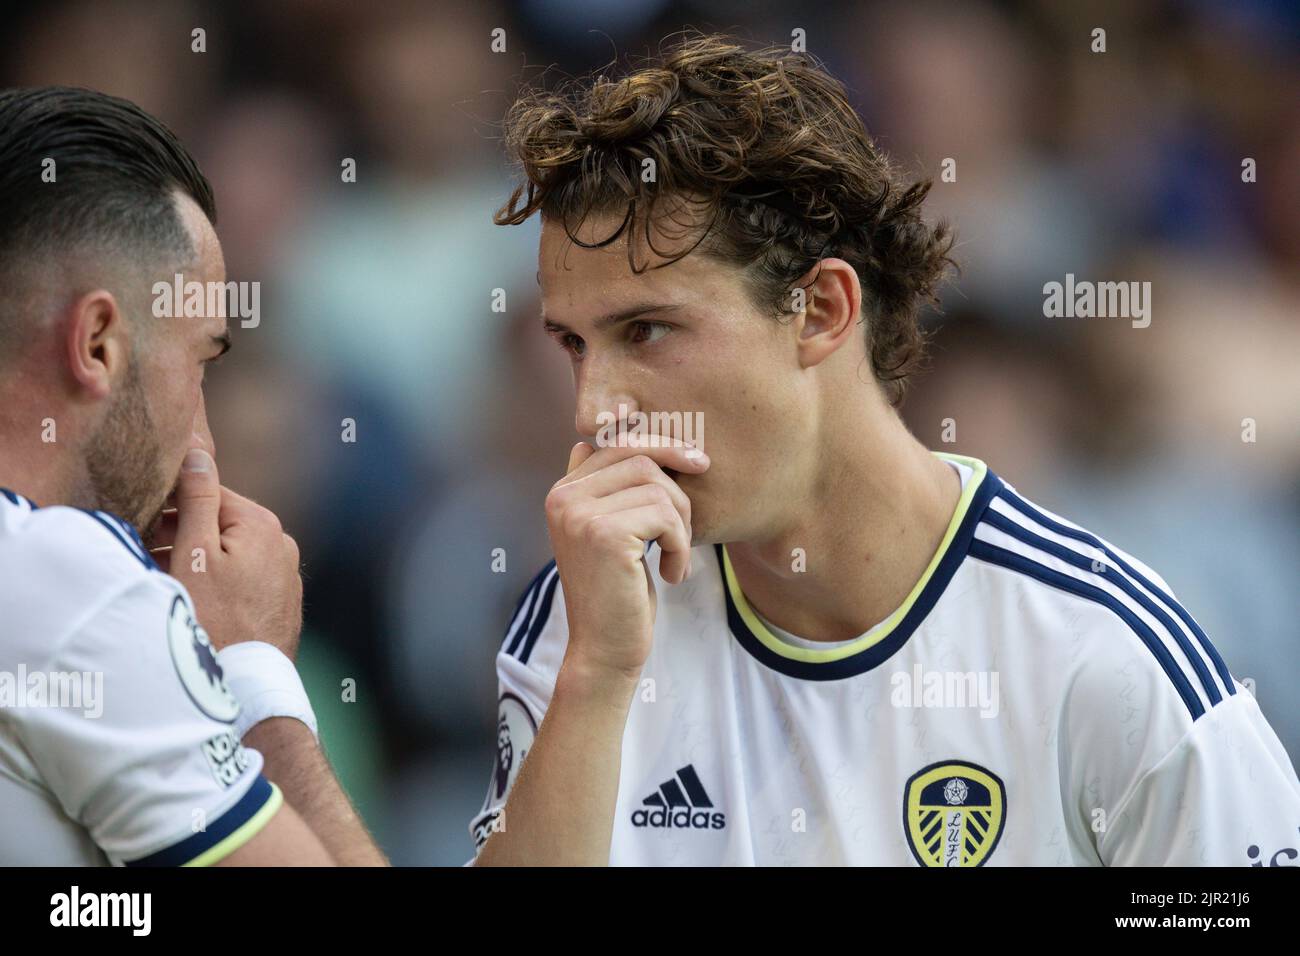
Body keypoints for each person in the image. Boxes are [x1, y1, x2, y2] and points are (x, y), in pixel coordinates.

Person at [469, 36, 1300, 866]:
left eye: (647, 330)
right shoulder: (586, 620)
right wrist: (596, 678)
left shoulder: (1102, 648)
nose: (594, 409)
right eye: (573, 344)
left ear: (822, 308)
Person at [0, 86, 385, 866]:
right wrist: (252, 668)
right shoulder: (66, 578)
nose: (202, 436)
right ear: (99, 343)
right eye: (202, 361)